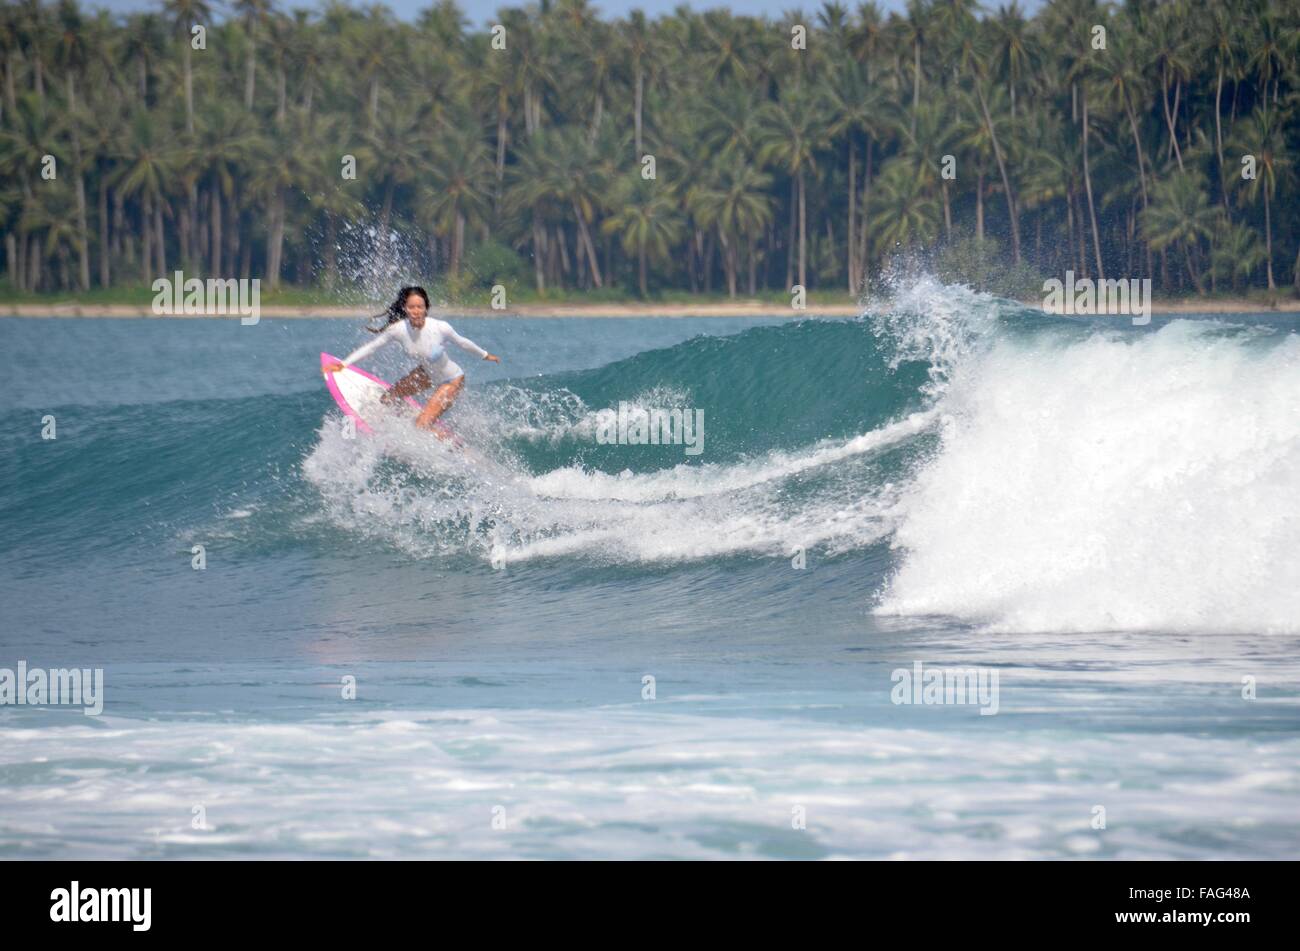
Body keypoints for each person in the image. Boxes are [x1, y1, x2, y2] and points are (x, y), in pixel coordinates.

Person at [323, 286, 500, 433]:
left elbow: (463, 342)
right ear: (405, 308)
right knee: (388, 399)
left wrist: (485, 355)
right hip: (427, 374)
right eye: (411, 307)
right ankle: (395, 427)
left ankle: (450, 444)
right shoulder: (398, 330)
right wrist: (343, 364)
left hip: (451, 380)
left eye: (420, 307)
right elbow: (372, 347)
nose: (416, 311)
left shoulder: (440, 327)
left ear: (426, 307)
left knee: (421, 425)